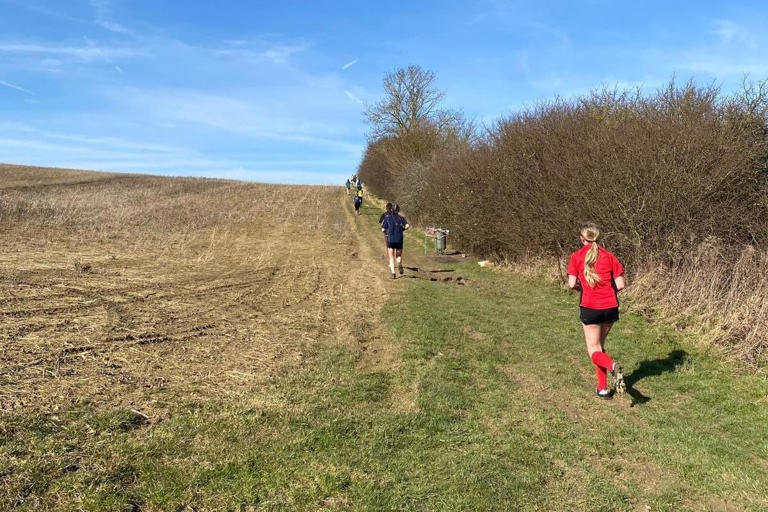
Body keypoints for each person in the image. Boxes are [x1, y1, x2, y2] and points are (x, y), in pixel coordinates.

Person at [567, 222, 626, 399]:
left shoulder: (576, 256)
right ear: (598, 238)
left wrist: (581, 288)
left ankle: (612, 366)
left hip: (590, 307)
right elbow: (621, 284)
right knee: (600, 347)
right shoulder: (610, 256)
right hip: (610, 307)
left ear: (581, 239)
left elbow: (571, 284)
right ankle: (602, 389)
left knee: (594, 350)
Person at [381, 204, 409, 279]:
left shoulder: (387, 218)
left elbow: (383, 229)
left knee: (391, 257)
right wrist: (403, 229)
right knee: (398, 255)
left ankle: (393, 273)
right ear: (399, 210)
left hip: (391, 239)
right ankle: (399, 262)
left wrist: (386, 233)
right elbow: (407, 226)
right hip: (399, 239)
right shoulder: (401, 218)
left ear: (391, 210)